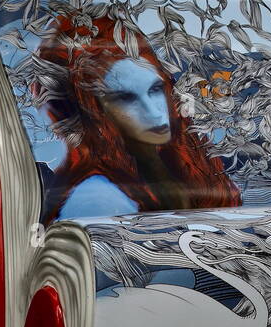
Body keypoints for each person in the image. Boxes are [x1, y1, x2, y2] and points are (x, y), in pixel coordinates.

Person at [35, 14, 241, 221]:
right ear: (93, 111)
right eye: (125, 98)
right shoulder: (100, 197)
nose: (153, 112)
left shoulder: (174, 162)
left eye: (155, 90)